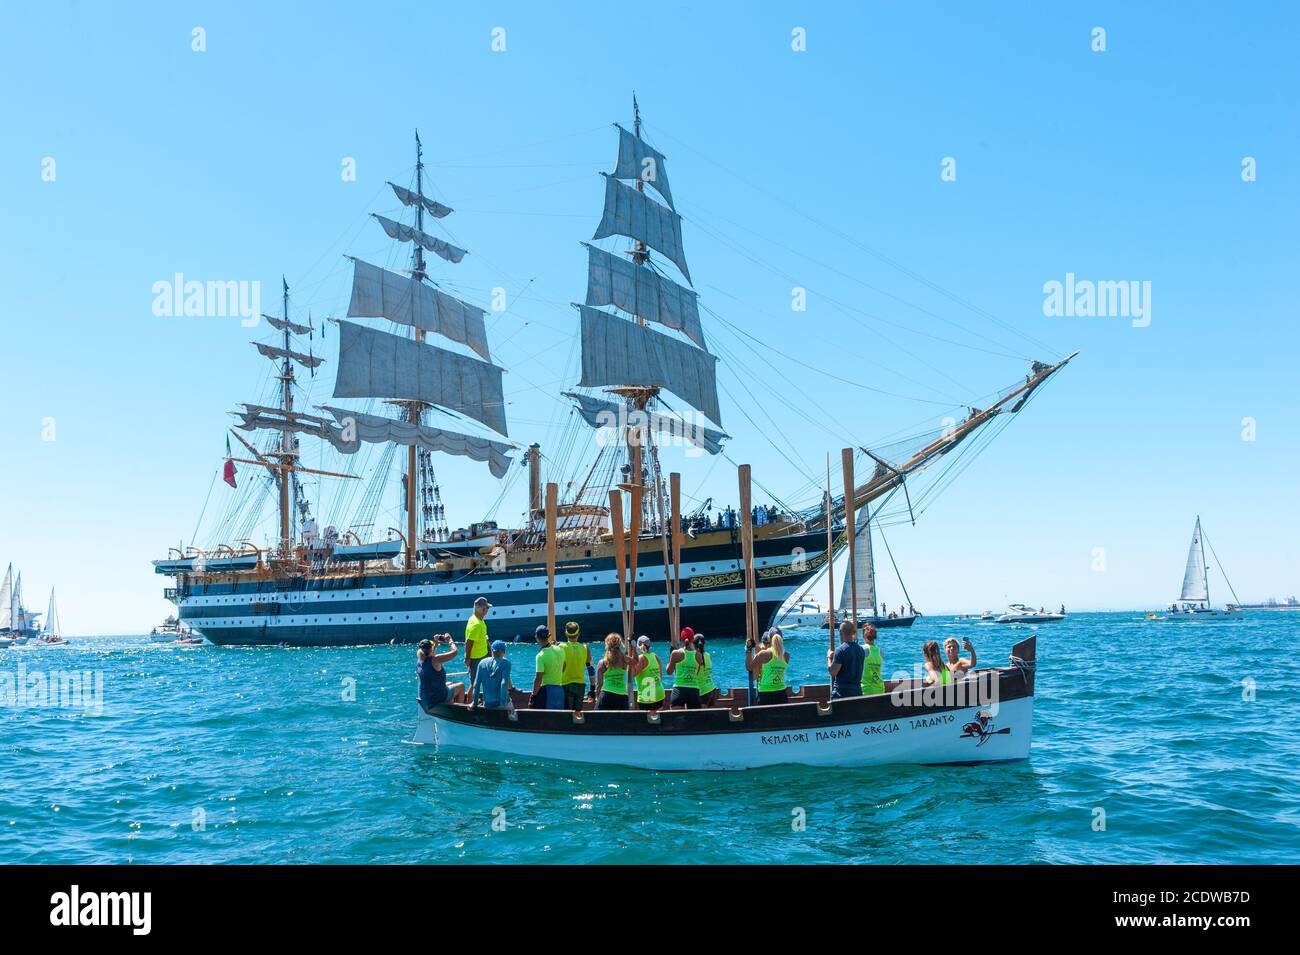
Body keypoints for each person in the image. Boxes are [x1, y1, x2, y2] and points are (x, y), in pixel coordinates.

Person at [747, 627, 790, 705]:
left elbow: (749, 667)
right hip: (782, 694)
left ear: (769, 639)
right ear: (782, 638)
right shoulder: (786, 656)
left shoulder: (764, 654)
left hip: (765, 694)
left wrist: (748, 650)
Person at [417, 634, 459, 711]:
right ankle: (456, 711)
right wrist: (450, 641)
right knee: (461, 686)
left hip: (425, 697)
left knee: (450, 683)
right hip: (435, 698)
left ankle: (449, 703)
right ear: (430, 649)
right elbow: (455, 652)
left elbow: (429, 652)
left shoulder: (420, 660)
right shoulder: (435, 659)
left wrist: (436, 642)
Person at [471, 640, 513, 710]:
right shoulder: (506, 663)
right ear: (504, 651)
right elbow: (504, 683)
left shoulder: (482, 663)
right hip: (500, 704)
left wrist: (475, 704)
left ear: (491, 650)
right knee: (512, 712)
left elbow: (476, 685)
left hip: (487, 704)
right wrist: (502, 704)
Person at [827, 620, 865, 699]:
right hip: (857, 692)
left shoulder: (840, 650)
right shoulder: (861, 649)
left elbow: (833, 672)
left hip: (842, 693)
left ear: (841, 632)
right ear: (853, 633)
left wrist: (829, 658)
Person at [666, 627, 702, 709]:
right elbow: (697, 673)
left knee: (676, 719)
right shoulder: (698, 655)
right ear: (693, 639)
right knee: (694, 720)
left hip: (679, 690)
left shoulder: (676, 653)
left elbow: (669, 672)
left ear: (682, 640)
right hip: (694, 690)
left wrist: (671, 656)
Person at [531, 625, 566, 709]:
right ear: (548, 636)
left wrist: (533, 696)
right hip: (560, 691)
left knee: (545, 719)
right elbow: (564, 667)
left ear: (537, 637)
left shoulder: (540, 655)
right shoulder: (560, 649)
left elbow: (538, 678)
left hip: (547, 691)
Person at [560, 620, 592, 711]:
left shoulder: (561, 647)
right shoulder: (585, 647)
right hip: (580, 684)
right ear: (579, 634)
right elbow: (590, 666)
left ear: (566, 634)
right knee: (578, 713)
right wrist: (592, 688)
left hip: (566, 683)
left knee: (567, 713)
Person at [594, 633, 630, 710]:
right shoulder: (625, 660)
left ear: (607, 644)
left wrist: (597, 698)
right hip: (622, 696)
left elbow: (599, 685)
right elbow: (636, 661)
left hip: (606, 695)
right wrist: (632, 647)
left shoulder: (602, 663)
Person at [464, 597, 492, 692]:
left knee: (482, 680)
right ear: (483, 609)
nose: (487, 610)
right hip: (476, 658)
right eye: (487, 608)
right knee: (474, 684)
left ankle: (479, 700)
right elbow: (469, 641)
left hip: (483, 655)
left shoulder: (478, 619)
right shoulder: (476, 624)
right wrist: (467, 658)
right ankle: (469, 705)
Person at [630, 635, 665, 711]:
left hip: (647, 696)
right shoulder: (656, 656)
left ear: (638, 647)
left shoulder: (641, 658)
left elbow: (632, 674)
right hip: (659, 694)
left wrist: (631, 659)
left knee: (646, 721)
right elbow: (660, 677)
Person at [860, 622, 884, 696]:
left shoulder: (862, 649)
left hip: (866, 689)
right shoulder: (880, 651)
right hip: (880, 688)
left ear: (863, 636)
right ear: (875, 636)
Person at [695, 636, 718, 707]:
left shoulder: (695, 656)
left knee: (701, 717)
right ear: (704, 644)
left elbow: (695, 674)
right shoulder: (708, 655)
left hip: (702, 691)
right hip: (712, 689)